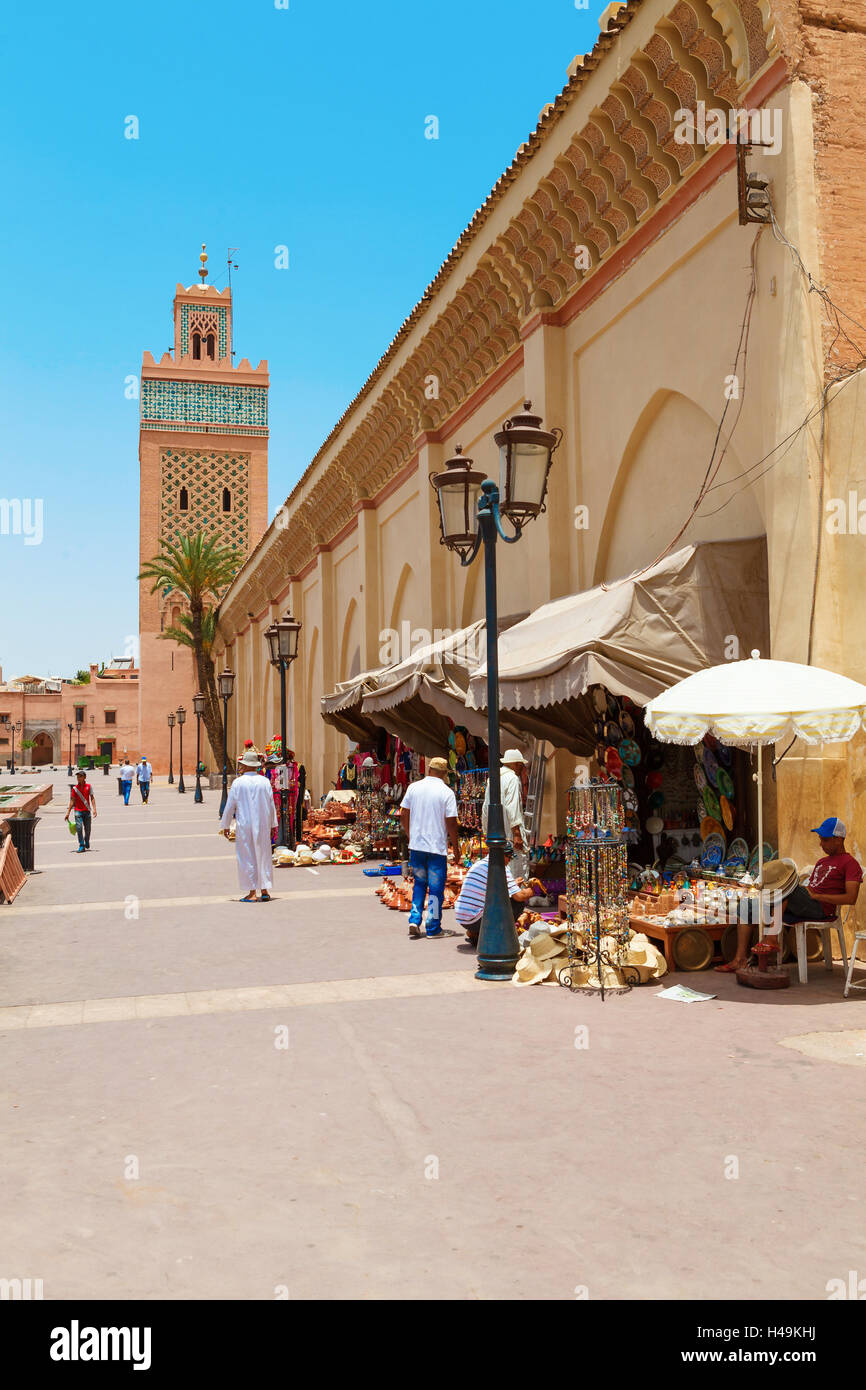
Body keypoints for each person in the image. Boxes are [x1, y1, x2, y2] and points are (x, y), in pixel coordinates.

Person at [716, 815, 863, 972]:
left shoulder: (850, 863)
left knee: (786, 887)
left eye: (825, 840)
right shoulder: (822, 862)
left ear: (838, 840)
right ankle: (740, 959)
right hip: (802, 901)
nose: (821, 844)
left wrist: (817, 896)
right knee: (746, 906)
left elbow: (851, 898)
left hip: (820, 908)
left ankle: (772, 937)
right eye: (820, 839)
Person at [399, 756, 459, 938]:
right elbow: (451, 822)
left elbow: (403, 814)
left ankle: (414, 919)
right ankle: (433, 927)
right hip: (435, 849)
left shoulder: (414, 787)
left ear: (429, 770)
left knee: (418, 884)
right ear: (443, 773)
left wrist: (411, 835)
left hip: (416, 847)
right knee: (435, 889)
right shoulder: (446, 792)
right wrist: (455, 846)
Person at [220, 749, 278, 902]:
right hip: (263, 823)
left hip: (245, 824)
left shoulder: (238, 783)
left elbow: (230, 805)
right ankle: (264, 890)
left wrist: (225, 825)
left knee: (247, 856)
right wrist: (273, 825)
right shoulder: (264, 782)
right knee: (264, 855)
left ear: (245, 765)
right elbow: (271, 805)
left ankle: (252, 892)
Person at [454, 843, 538, 946]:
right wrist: (531, 891)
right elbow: (519, 896)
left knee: (505, 899)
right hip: (475, 919)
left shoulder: (480, 864)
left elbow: (495, 889)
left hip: (463, 918)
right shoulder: (499, 866)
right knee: (517, 904)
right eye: (509, 857)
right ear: (503, 855)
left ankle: (477, 933)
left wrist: (513, 885)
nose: (509, 861)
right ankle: (498, 936)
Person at [482, 748, 530, 877]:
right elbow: (512, 806)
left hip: (496, 835)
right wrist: (517, 834)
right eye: (521, 766)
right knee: (516, 872)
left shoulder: (493, 779)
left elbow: (486, 808)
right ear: (516, 764)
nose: (521, 770)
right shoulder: (512, 778)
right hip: (510, 835)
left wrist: (487, 831)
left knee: (501, 872)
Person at [66, 769, 97, 853]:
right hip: (77, 811)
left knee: (88, 829)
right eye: (77, 777)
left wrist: (94, 809)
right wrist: (68, 812)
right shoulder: (75, 789)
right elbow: (72, 800)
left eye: (80, 776)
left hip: (87, 811)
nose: (78, 778)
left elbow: (92, 798)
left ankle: (86, 840)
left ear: (84, 777)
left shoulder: (89, 786)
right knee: (79, 828)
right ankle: (81, 845)